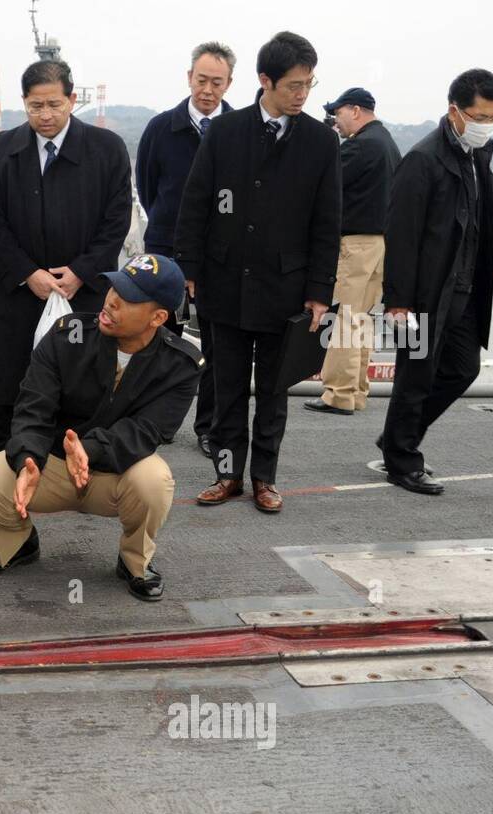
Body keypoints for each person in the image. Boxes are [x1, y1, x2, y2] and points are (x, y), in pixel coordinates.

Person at [0, 255, 200, 601]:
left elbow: (147, 432)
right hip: (52, 464)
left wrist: (88, 449)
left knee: (155, 481)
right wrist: (27, 458)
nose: (112, 300)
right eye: (114, 287)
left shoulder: (181, 365)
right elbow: (32, 408)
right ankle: (17, 545)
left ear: (158, 318)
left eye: (128, 297)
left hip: (116, 471)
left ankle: (135, 562)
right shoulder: (66, 337)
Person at [175, 31, 341, 514]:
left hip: (286, 289)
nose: (303, 94)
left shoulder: (320, 142)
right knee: (227, 388)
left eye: (309, 85)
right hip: (223, 284)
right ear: (265, 80)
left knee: (273, 391)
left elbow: (328, 224)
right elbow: (196, 203)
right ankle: (227, 474)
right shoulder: (225, 132)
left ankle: (264, 477)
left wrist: (319, 291)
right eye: (294, 85)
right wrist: (188, 268)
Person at [0, 59, 132, 456]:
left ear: (72, 100)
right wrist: (28, 272)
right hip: (21, 291)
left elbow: (116, 222)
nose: (45, 116)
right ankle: (4, 464)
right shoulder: (2, 148)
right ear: (24, 103)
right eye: (35, 106)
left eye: (54, 105)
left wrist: (82, 272)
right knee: (13, 389)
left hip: (82, 292)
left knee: (79, 384)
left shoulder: (107, 149)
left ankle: (74, 468)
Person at [379, 69, 493, 495]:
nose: (486, 125)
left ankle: (398, 435)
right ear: (455, 111)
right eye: (480, 116)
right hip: (426, 294)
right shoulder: (423, 159)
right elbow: (400, 235)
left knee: (463, 369)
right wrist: (398, 301)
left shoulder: (477, 156)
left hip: (465, 292)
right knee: (414, 377)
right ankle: (402, 459)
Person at [136, 41, 235, 457]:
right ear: (188, 77)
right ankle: (156, 420)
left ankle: (210, 427)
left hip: (222, 253)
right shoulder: (161, 128)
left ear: (230, 83)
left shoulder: (240, 129)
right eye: (201, 80)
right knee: (158, 336)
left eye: (217, 82)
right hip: (166, 246)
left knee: (217, 343)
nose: (207, 90)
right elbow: (146, 185)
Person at [305, 87, 401, 416]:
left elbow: (324, 181)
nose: (337, 121)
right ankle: (357, 390)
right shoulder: (388, 144)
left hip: (355, 243)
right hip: (380, 244)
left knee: (344, 316)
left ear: (355, 110)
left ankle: (339, 394)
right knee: (361, 320)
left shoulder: (361, 146)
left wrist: (327, 142)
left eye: (339, 113)